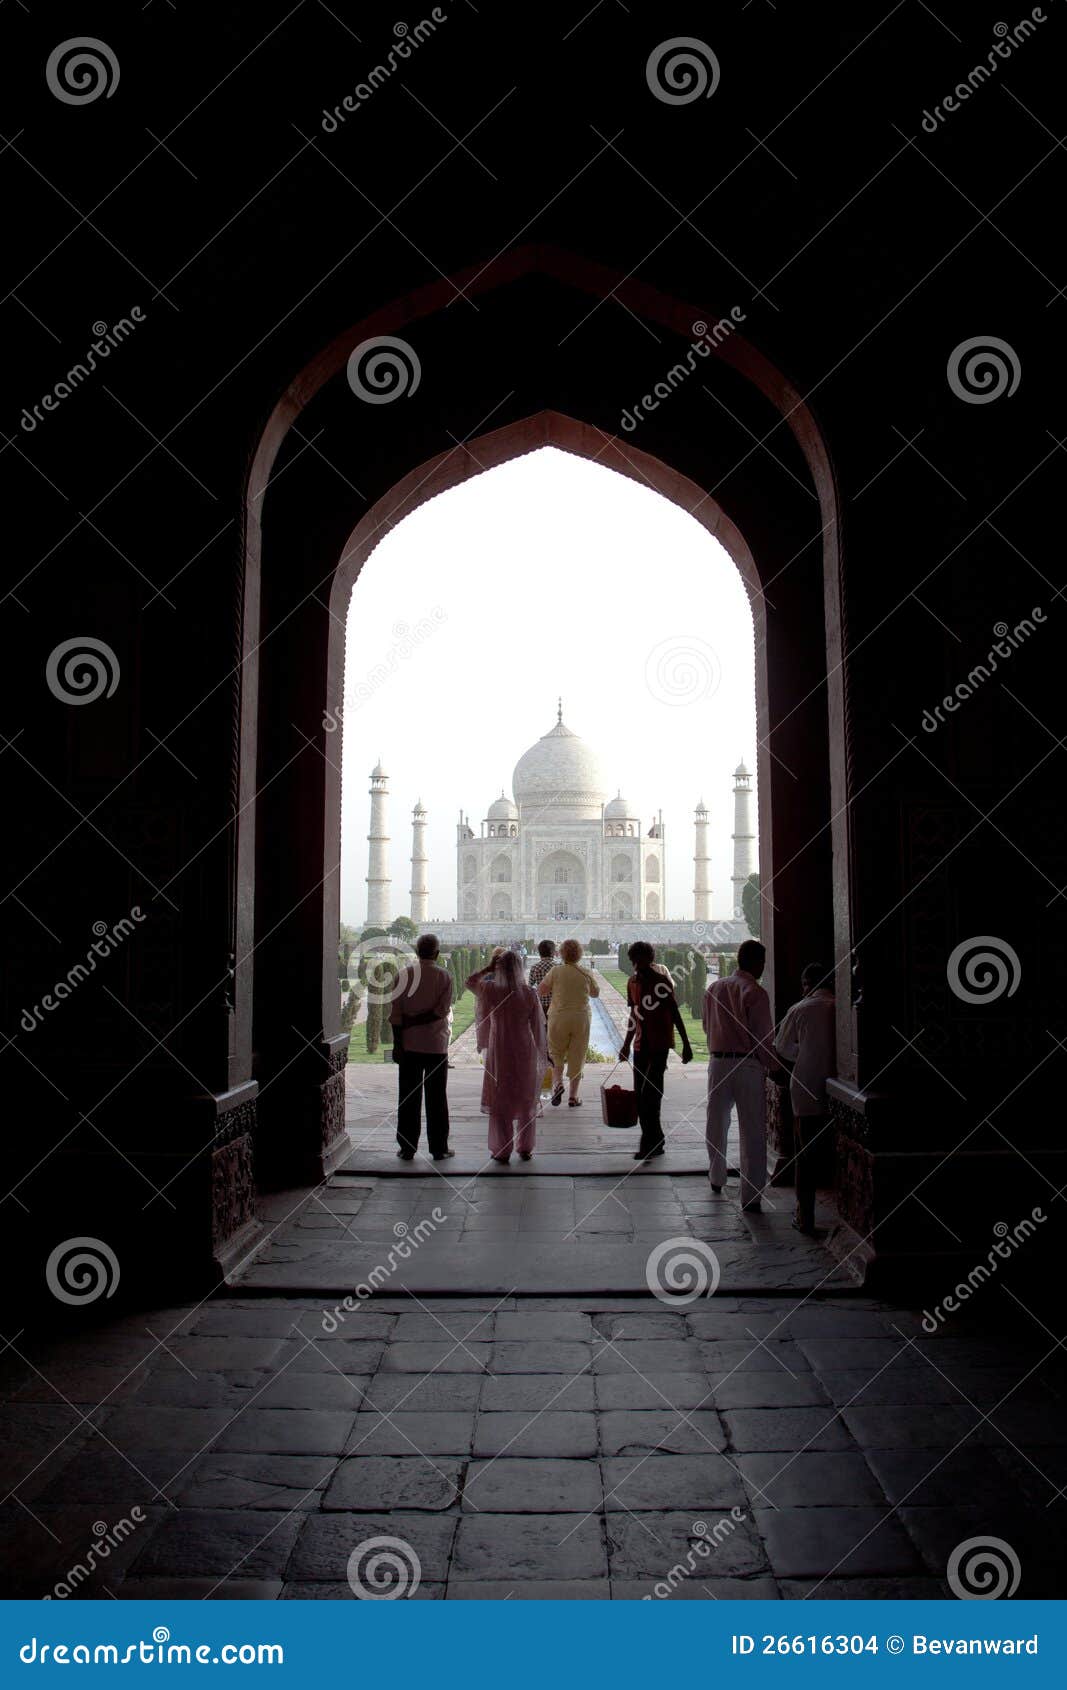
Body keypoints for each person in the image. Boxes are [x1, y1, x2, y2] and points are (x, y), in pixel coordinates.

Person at [701, 939, 777, 1210]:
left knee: (716, 1122)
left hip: (718, 1062)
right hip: (747, 1065)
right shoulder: (755, 992)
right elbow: (763, 1039)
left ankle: (716, 1177)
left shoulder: (714, 988)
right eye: (762, 963)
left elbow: (706, 1026)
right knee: (752, 1130)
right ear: (756, 963)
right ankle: (751, 1196)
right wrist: (776, 1067)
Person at [774, 962, 836, 1234]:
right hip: (842, 1085)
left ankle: (805, 1216)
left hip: (806, 1086)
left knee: (805, 1154)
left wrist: (808, 1053)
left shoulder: (800, 1009)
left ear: (807, 985)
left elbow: (783, 1047)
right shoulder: (839, 1006)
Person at [619, 941, 693, 1162]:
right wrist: (625, 1044)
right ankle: (657, 1139)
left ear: (649, 960)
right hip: (641, 1045)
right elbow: (635, 1016)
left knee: (650, 1096)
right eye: (633, 959)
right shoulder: (632, 982)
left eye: (638, 959)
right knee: (641, 1096)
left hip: (659, 1046)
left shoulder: (661, 982)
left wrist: (686, 1044)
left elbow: (674, 1013)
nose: (635, 964)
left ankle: (647, 1143)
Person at [476, 949, 546, 1163]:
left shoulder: (490, 990)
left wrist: (489, 967)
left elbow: (470, 982)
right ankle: (525, 1147)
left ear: (499, 968)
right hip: (524, 1048)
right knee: (525, 1097)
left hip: (500, 1048)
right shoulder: (528, 993)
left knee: (501, 1097)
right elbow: (538, 1027)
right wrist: (543, 1054)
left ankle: (502, 1149)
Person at [389, 934, 454, 1161]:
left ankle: (407, 1147)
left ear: (417, 952)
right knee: (437, 1099)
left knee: (408, 1097)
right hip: (436, 1046)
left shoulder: (403, 975)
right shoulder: (444, 976)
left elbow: (395, 1015)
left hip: (409, 1045)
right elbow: (441, 1011)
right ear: (436, 953)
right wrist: (417, 1021)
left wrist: (398, 1043)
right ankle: (439, 1148)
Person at [538, 937, 599, 1107]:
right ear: (580, 954)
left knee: (556, 1053)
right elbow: (595, 994)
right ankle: (573, 1097)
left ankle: (557, 1084)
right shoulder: (586, 972)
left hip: (558, 1017)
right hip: (581, 1018)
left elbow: (541, 991)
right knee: (577, 1056)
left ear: (562, 954)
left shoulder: (556, 971)